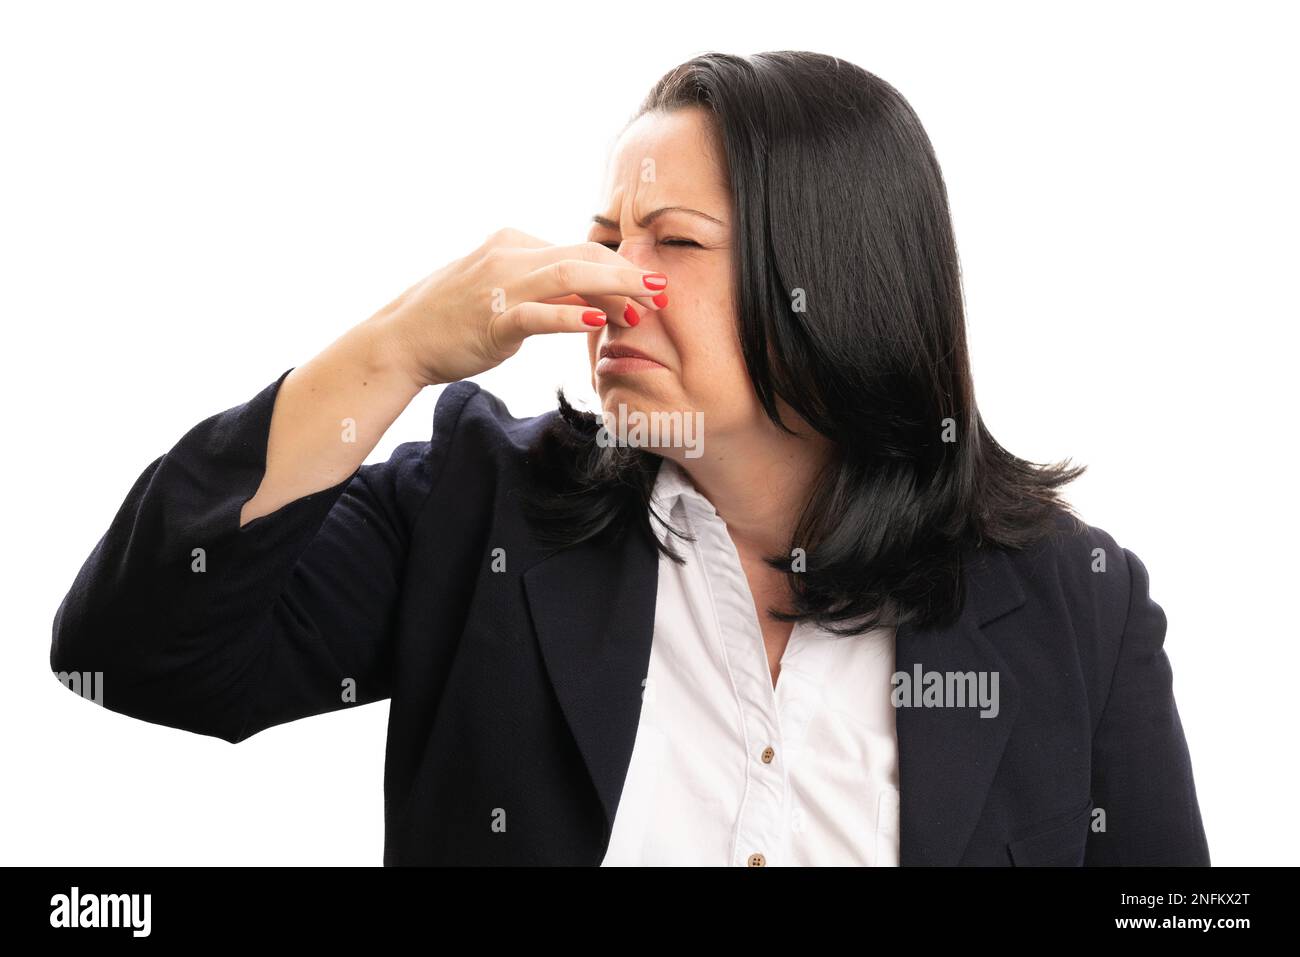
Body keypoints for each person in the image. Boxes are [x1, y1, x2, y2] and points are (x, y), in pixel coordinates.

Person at [50, 50, 1210, 866]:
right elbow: (134, 654)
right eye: (606, 240)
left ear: (834, 283)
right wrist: (393, 351)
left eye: (675, 243)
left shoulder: (1075, 603)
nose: (609, 286)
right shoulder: (477, 508)